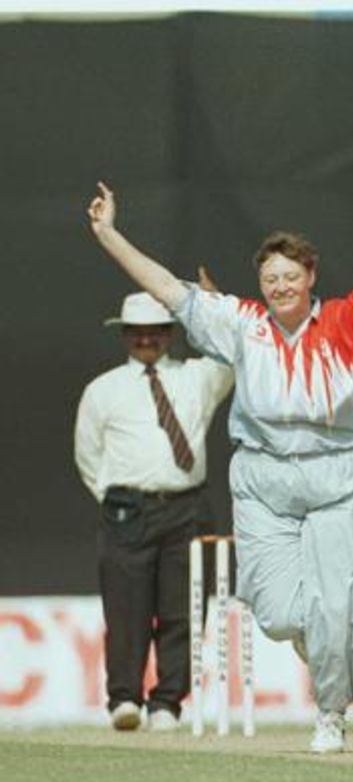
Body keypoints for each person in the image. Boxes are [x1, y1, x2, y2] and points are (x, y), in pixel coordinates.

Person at [86, 166, 353, 753]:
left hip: (338, 474)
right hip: (263, 476)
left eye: (290, 276)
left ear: (310, 276)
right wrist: (109, 235)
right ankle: (318, 643)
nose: (280, 286)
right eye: (270, 278)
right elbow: (167, 287)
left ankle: (330, 713)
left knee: (335, 606)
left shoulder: (348, 323)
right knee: (275, 615)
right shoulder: (241, 324)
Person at [75, 291, 233, 732]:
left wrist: (214, 309)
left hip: (188, 504)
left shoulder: (197, 377)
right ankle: (124, 698)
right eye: (137, 332)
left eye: (155, 331)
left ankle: (167, 702)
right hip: (128, 508)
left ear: (170, 333)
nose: (146, 340)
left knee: (185, 608)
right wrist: (116, 497)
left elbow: (231, 355)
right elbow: (88, 454)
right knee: (126, 609)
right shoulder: (104, 389)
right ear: (125, 335)